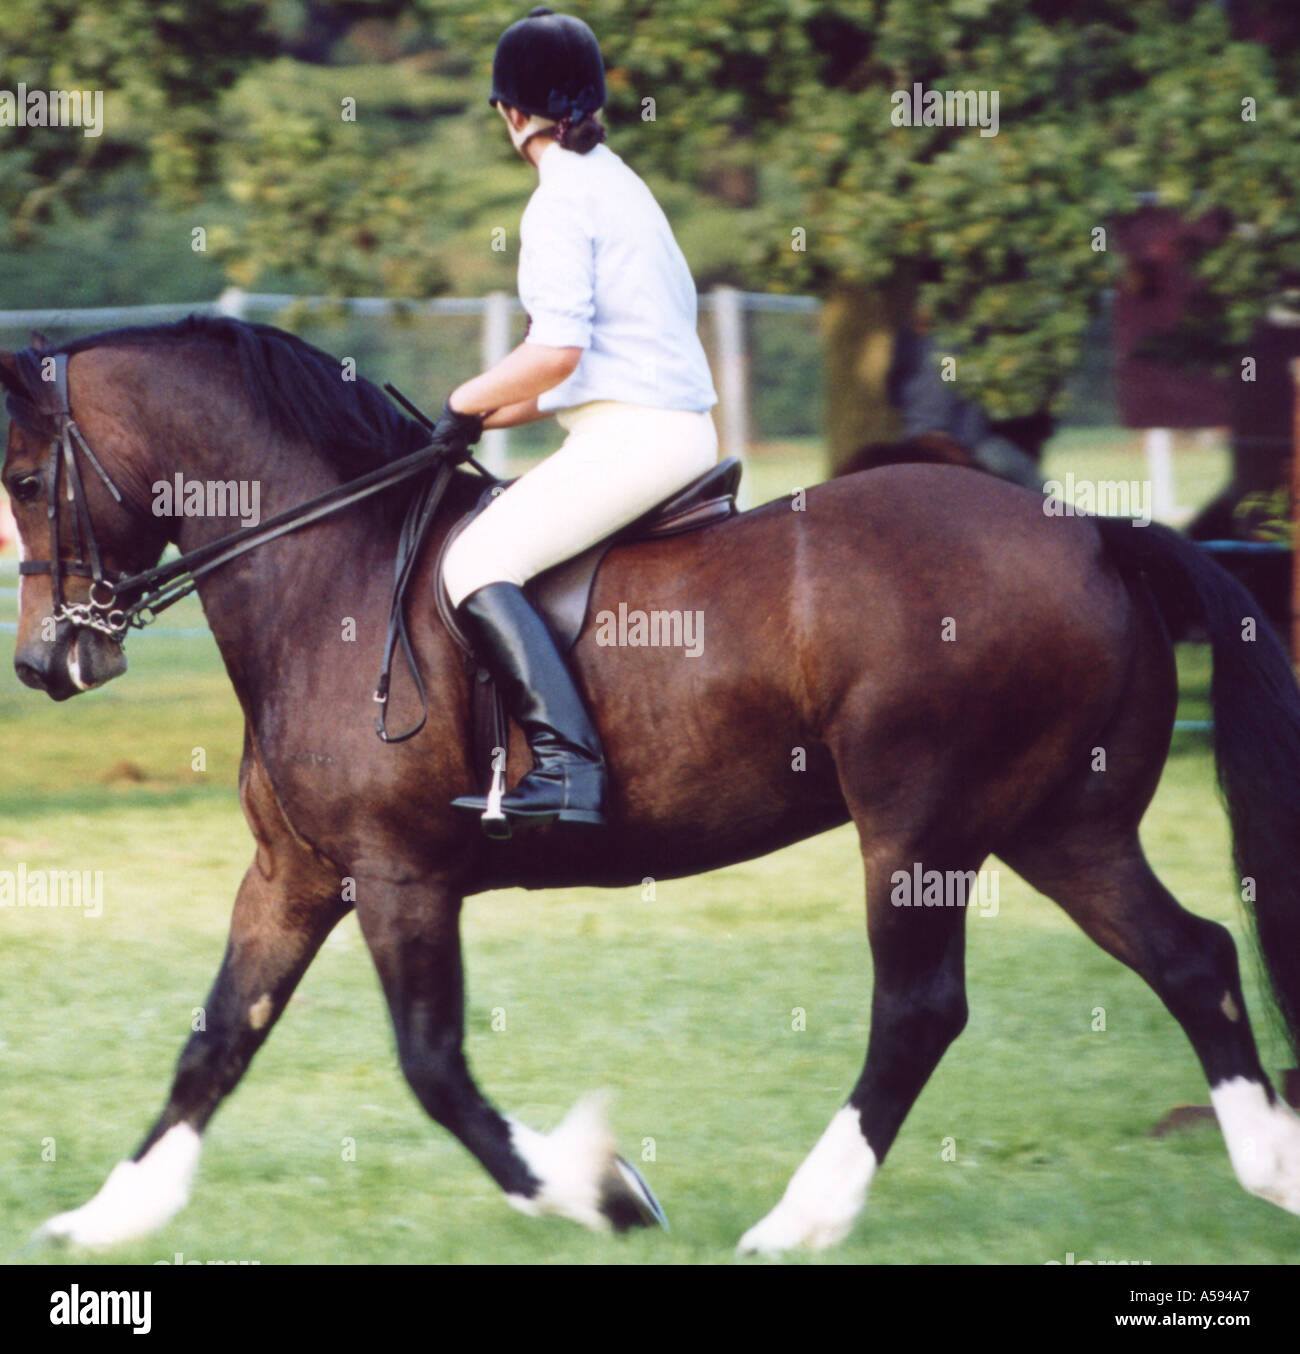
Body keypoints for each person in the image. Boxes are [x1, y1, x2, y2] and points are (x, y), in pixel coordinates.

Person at [429, 7, 719, 832]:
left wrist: (460, 401)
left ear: (509, 113)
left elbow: (553, 354)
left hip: (637, 435)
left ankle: (566, 770)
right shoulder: (619, 183)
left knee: (472, 561)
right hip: (654, 424)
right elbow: (574, 370)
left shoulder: (559, 200)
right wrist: (482, 420)